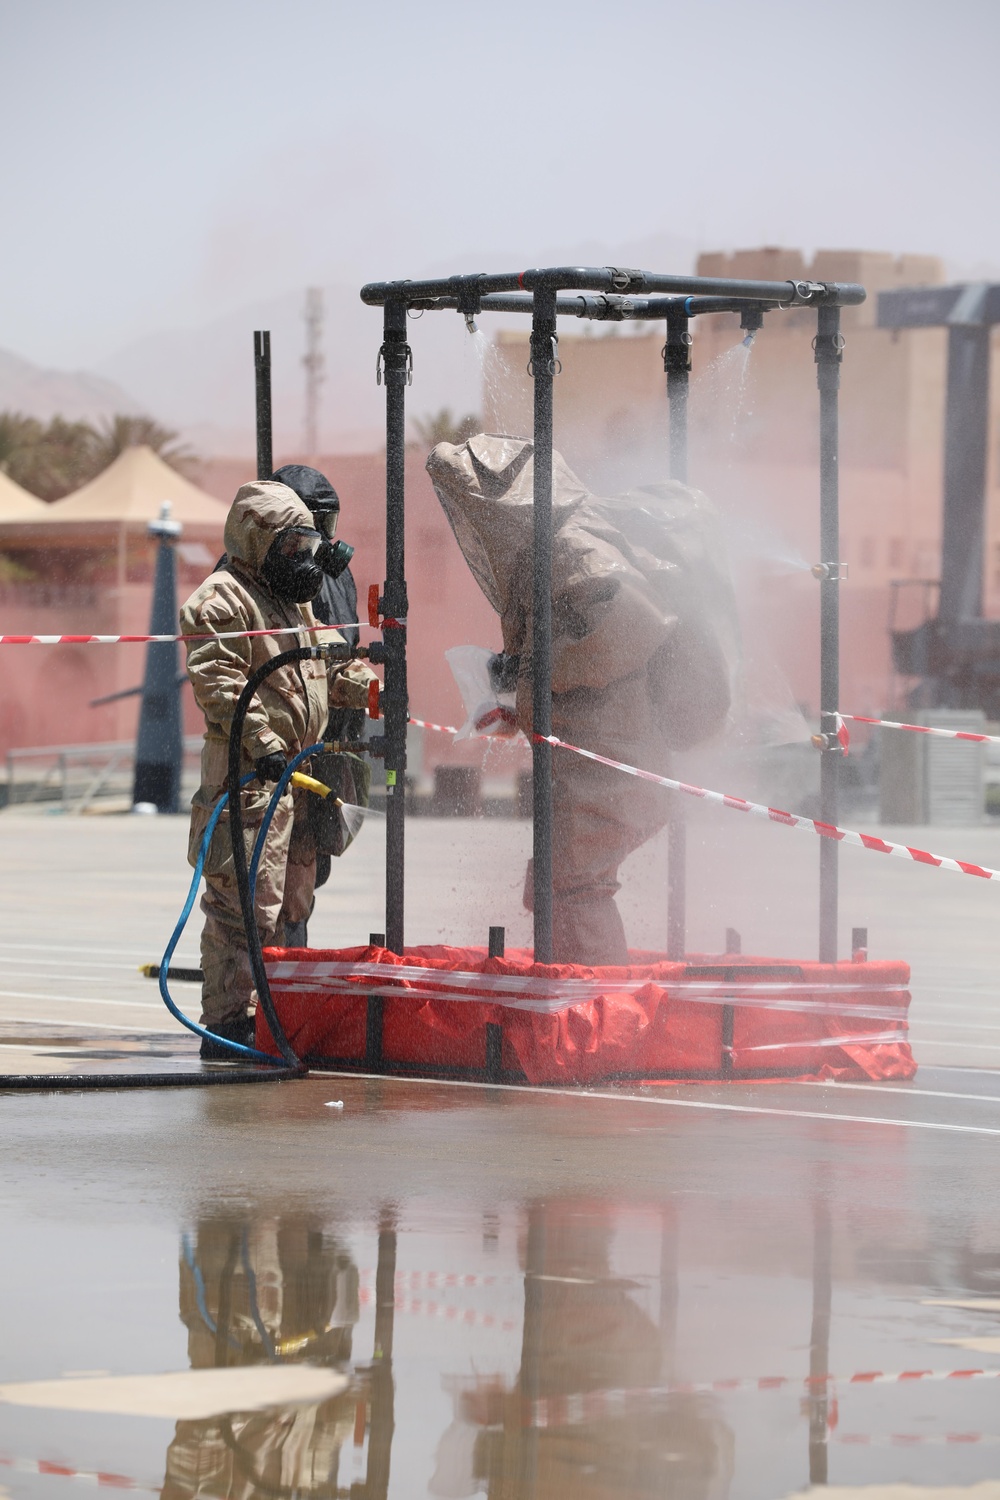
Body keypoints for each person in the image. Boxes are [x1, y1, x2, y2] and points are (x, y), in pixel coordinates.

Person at [427, 434, 739, 966]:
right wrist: (520, 679)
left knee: (574, 888)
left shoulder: (575, 543)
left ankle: (597, 1018)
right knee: (556, 886)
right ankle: (578, 1002)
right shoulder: (555, 546)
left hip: (613, 758)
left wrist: (532, 678)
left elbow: (629, 624)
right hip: (593, 753)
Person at [182, 478, 375, 1060]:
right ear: (257, 540)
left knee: (290, 905)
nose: (303, 560)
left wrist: (371, 692)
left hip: (295, 779)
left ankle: (268, 1014)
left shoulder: (294, 601)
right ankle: (227, 1025)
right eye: (291, 548)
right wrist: (263, 743)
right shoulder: (221, 600)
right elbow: (221, 683)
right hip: (248, 780)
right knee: (243, 908)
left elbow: (324, 666)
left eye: (306, 546)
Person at [271, 464, 366, 933]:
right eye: (316, 526)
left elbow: (342, 648)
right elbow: (299, 663)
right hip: (280, 756)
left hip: (327, 750)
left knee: (307, 877)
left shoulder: (336, 577)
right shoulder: (260, 574)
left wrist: (366, 689)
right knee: (276, 887)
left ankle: (286, 991)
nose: (326, 540)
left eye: (330, 524)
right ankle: (269, 997)